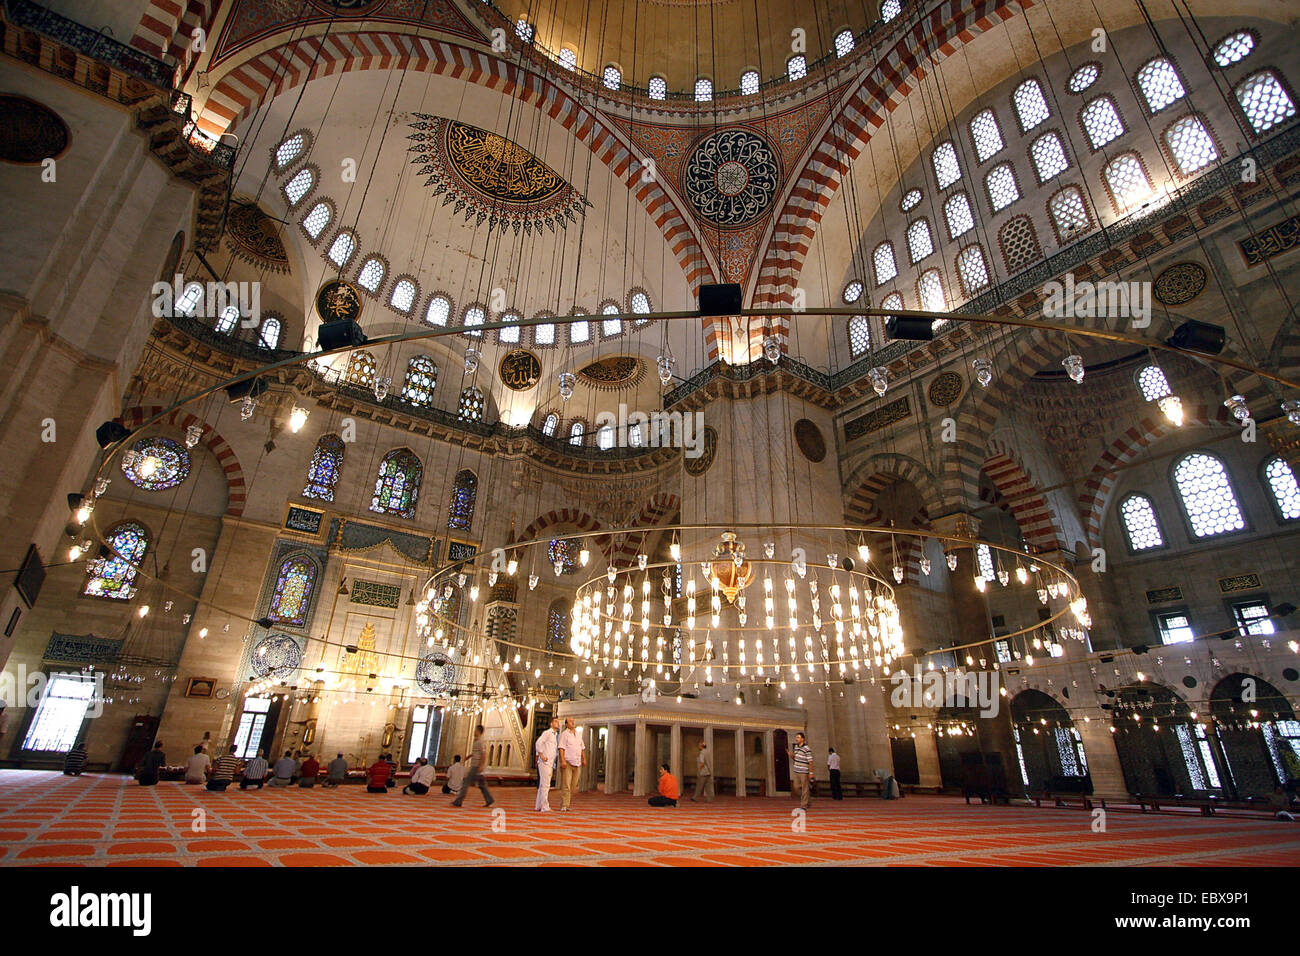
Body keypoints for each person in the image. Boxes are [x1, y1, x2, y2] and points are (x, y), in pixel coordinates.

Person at [451, 725, 494, 808]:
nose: (474, 731)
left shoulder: (480, 741)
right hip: (476, 765)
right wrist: (469, 756)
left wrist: (480, 765)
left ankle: (459, 801)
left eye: (475, 730)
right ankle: (489, 799)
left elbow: (484, 754)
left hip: (476, 766)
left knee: (466, 783)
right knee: (482, 785)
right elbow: (477, 753)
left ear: (478, 731)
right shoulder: (477, 741)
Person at [557, 717, 585, 811]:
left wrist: (584, 759)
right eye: (570, 721)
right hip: (567, 762)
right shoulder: (564, 734)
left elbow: (582, 747)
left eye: (573, 721)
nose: (573, 722)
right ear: (566, 724)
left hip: (577, 763)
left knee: (573, 785)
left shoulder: (578, 734)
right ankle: (565, 805)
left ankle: (565, 802)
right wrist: (563, 761)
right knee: (566, 784)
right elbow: (561, 748)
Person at [535, 717, 560, 811]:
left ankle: (539, 805)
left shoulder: (555, 735)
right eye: (555, 721)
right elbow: (538, 742)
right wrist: (541, 755)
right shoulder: (547, 733)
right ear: (551, 724)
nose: (557, 723)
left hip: (549, 762)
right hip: (545, 762)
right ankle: (545, 806)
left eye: (558, 721)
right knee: (545, 785)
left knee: (543, 785)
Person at [787, 732, 813, 810]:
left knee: (805, 788)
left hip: (804, 771)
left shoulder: (807, 748)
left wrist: (811, 773)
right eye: (796, 737)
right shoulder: (796, 747)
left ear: (802, 739)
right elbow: (795, 758)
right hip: (796, 770)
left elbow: (810, 761)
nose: (796, 739)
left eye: (798, 737)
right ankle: (807, 799)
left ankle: (804, 805)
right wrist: (791, 755)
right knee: (796, 787)